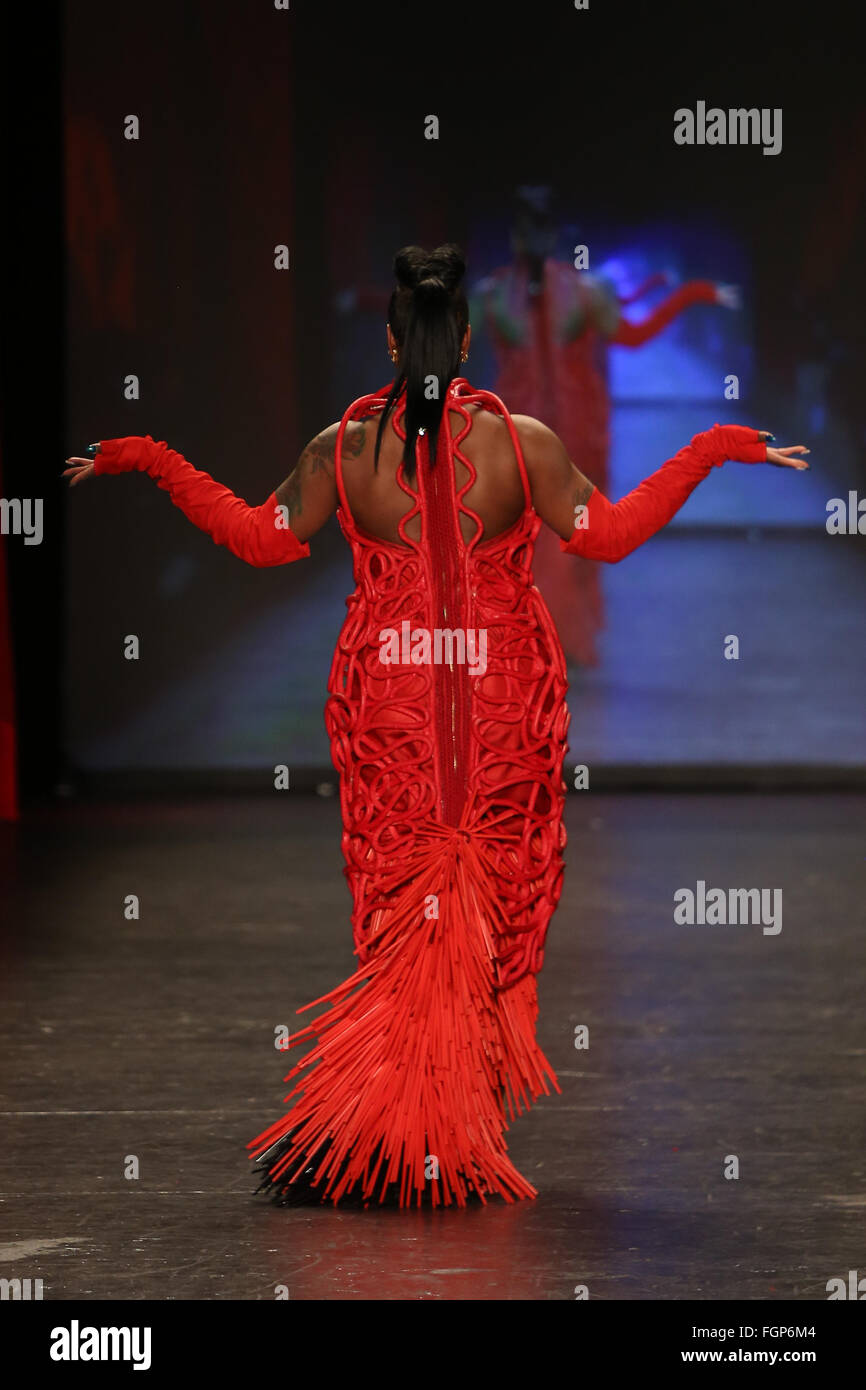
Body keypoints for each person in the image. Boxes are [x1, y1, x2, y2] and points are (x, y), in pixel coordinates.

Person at [64, 244, 809, 1208]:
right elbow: (611, 537)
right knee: (479, 918)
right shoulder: (522, 440)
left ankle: (402, 1130)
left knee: (415, 919)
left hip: (397, 715)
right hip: (498, 713)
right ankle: (431, 1132)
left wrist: (150, 460)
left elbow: (258, 538)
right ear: (466, 339)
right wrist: (712, 448)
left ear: (390, 340)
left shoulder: (343, 448)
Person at [477, 185, 742, 665]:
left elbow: (440, 335)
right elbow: (635, 336)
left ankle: (542, 640)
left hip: (539, 431)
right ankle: (555, 639)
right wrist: (692, 293)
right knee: (563, 534)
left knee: (540, 536)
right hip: (563, 430)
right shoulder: (570, 292)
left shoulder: (499, 295)